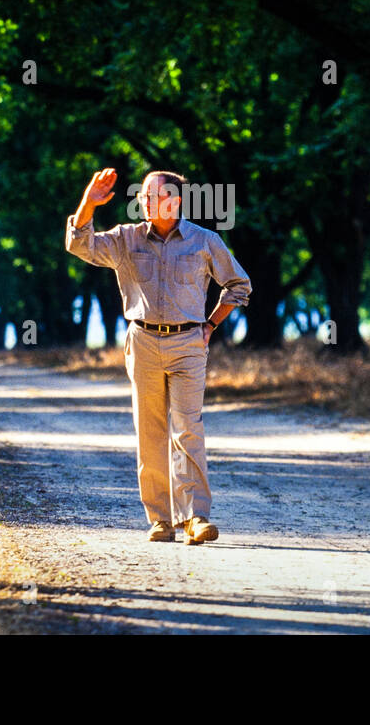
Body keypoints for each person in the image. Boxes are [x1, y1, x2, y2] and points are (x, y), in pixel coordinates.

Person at [65, 167, 252, 544]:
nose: (144, 202)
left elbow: (239, 285)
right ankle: (160, 520)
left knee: (188, 429)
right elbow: (80, 245)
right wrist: (89, 202)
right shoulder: (125, 238)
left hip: (188, 345)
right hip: (143, 343)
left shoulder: (204, 240)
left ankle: (195, 518)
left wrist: (211, 325)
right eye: (142, 197)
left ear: (175, 201)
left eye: (151, 196)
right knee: (150, 432)